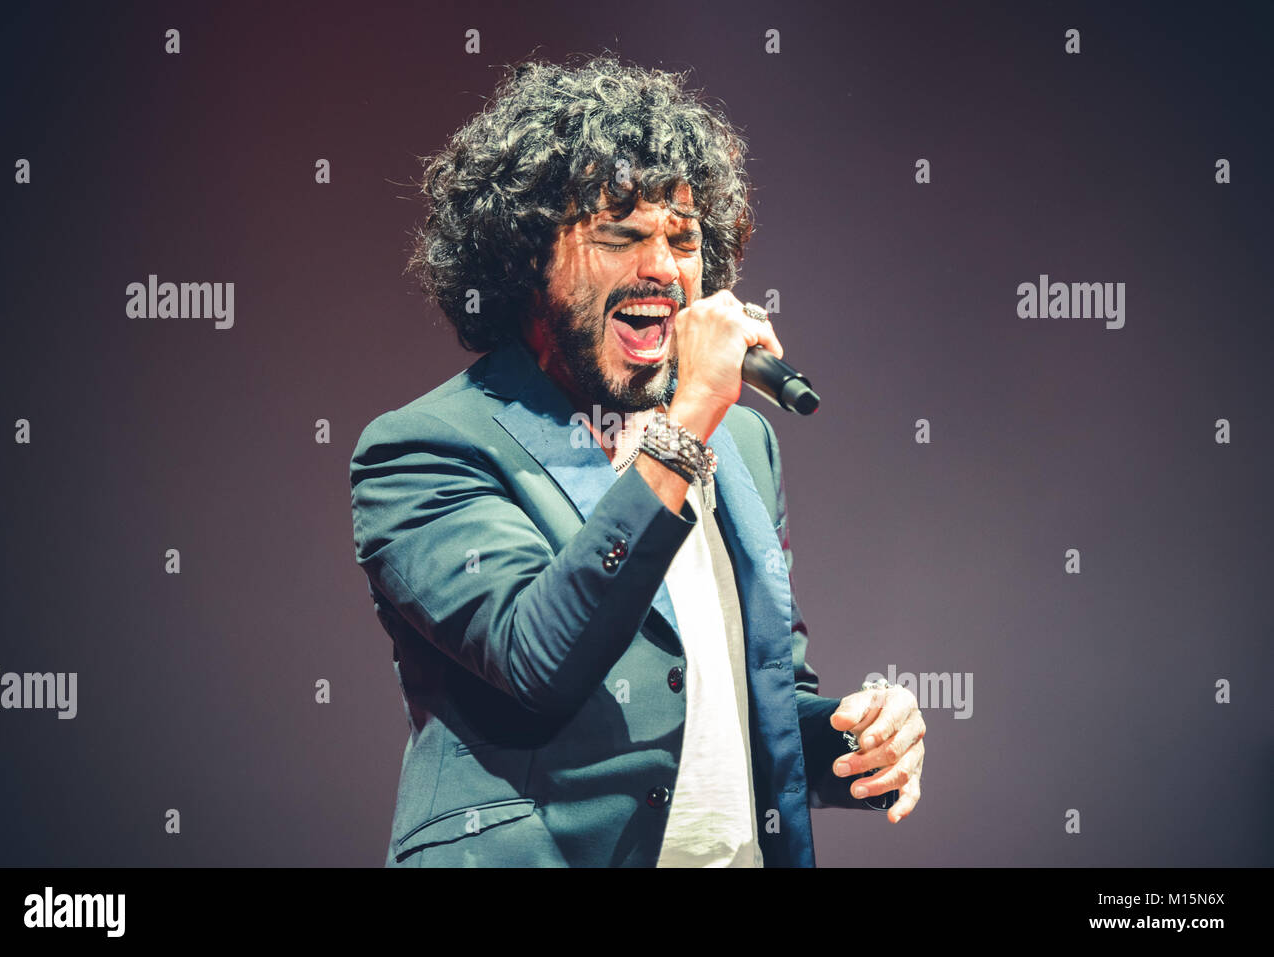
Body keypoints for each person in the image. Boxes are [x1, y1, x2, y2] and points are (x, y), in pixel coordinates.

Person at [349, 54, 925, 867]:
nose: (663, 266)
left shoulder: (742, 444)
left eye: (683, 239)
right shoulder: (430, 446)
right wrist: (685, 426)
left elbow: (752, 699)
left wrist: (853, 740)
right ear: (525, 261)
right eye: (621, 235)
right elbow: (536, 656)